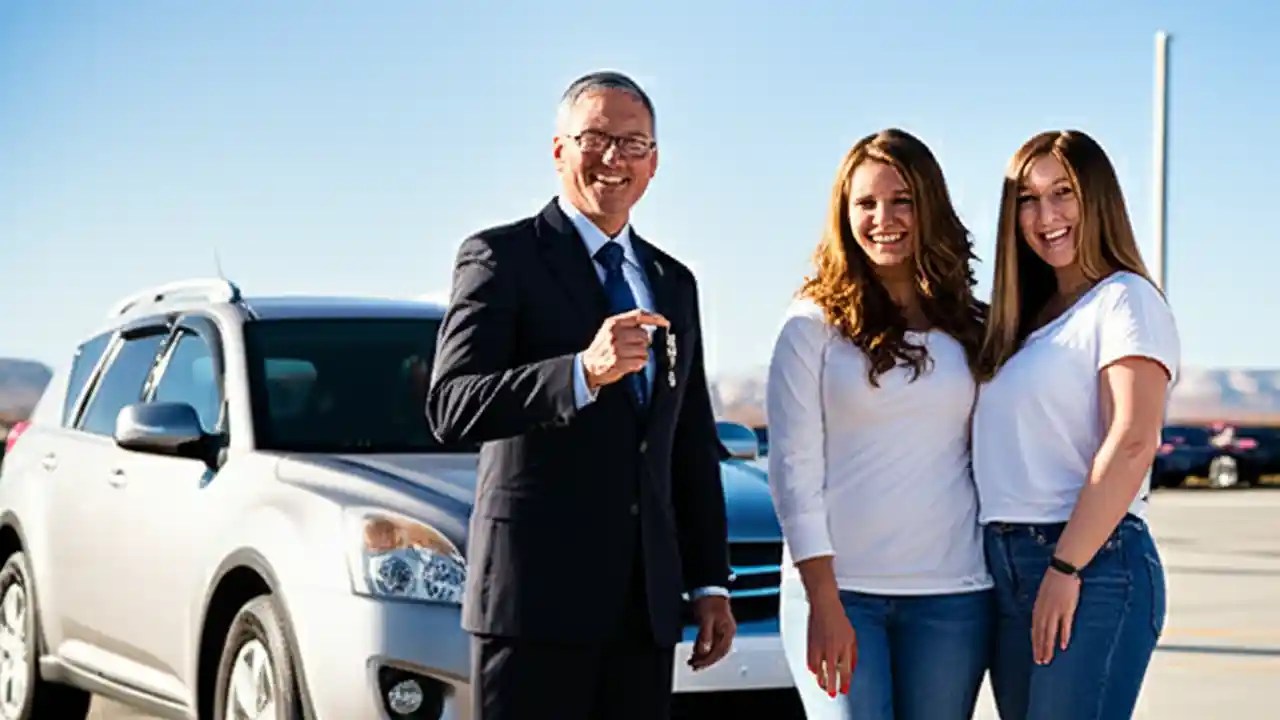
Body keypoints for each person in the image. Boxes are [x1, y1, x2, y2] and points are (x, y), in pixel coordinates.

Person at [426, 70, 735, 720]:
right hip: (534, 604)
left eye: (633, 143)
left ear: (654, 162)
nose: (614, 158)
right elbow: (452, 405)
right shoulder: (501, 258)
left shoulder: (672, 282)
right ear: (559, 150)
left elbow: (687, 442)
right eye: (595, 139)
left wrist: (709, 581)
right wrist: (580, 373)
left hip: (642, 611)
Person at [767, 128, 994, 720]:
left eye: (902, 201)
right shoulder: (811, 324)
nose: (883, 219)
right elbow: (792, 469)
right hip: (841, 594)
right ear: (844, 215)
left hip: (953, 597)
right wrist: (823, 599)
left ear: (930, 207)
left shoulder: (974, 325)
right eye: (865, 203)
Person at [971, 129, 1179, 719]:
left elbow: (1132, 440)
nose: (1047, 216)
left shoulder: (1125, 300)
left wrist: (1066, 566)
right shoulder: (1024, 323)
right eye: (1029, 200)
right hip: (1006, 564)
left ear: (1098, 198)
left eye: (1063, 193)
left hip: (1092, 565)